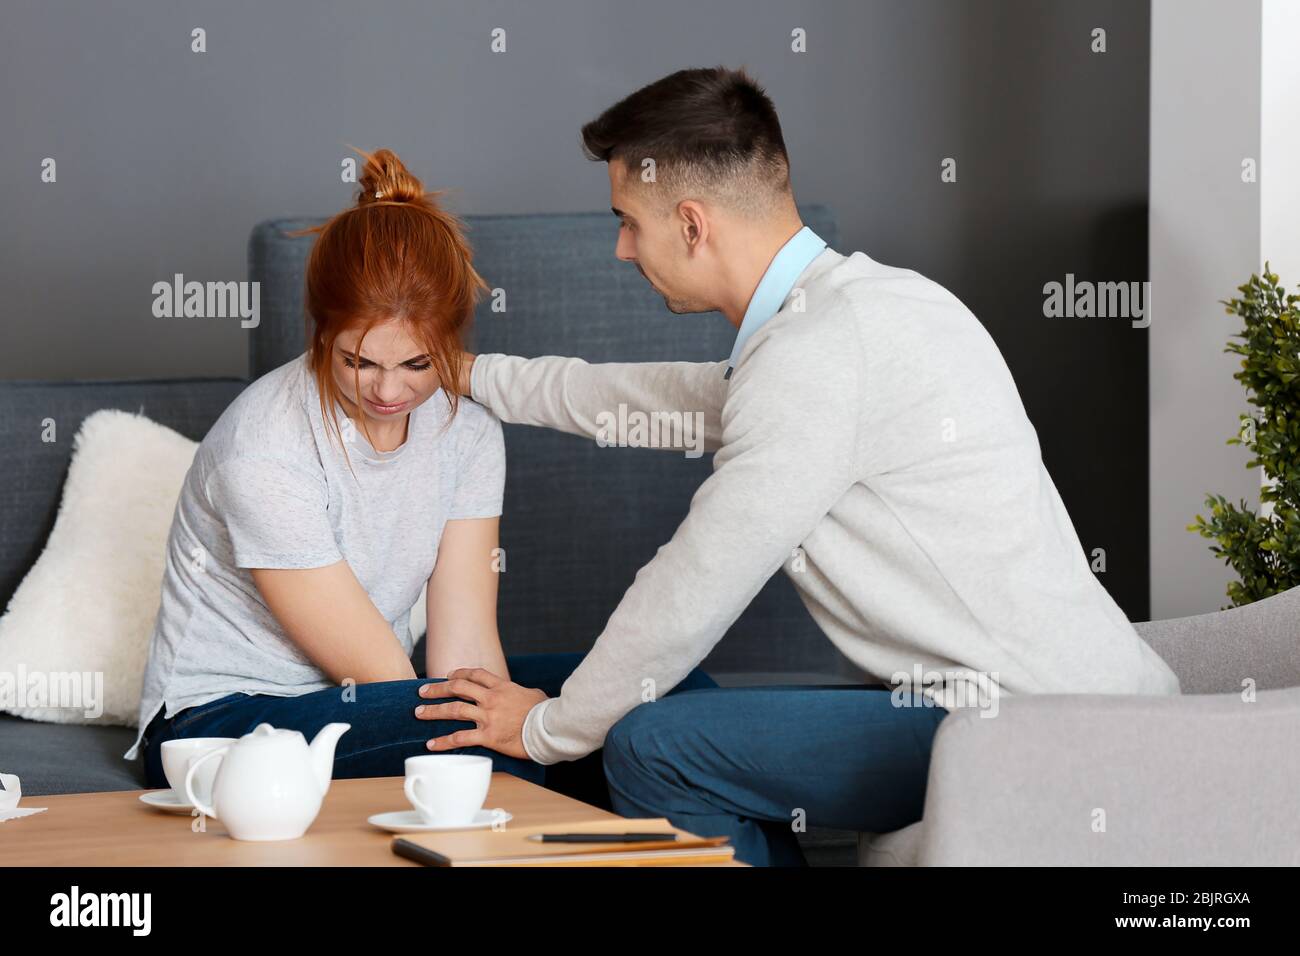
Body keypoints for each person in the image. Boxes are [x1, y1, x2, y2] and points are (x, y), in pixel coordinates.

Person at [415, 67, 1183, 866]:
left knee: (651, 745)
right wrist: (472, 375)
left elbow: (692, 586)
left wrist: (546, 729)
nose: (620, 247)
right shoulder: (867, 309)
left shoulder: (818, 356)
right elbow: (646, 397)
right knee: (685, 732)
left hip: (1033, 730)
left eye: (627, 221)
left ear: (691, 223)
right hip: (1054, 704)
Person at [122, 146, 717, 808]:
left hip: (379, 697)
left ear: (452, 341)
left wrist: (525, 722)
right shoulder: (261, 449)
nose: (387, 391)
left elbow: (463, 651)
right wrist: (509, 734)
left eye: (417, 364)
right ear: (319, 333)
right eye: (357, 362)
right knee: (477, 739)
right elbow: (378, 675)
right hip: (219, 724)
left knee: (671, 698)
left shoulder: (467, 430)